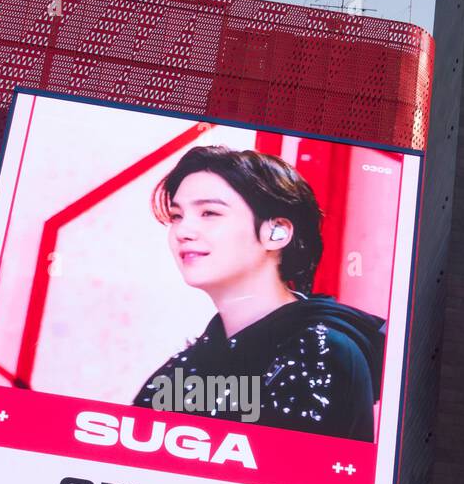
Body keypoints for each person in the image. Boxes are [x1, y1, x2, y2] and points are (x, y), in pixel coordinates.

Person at [132, 145, 386, 442]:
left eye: (209, 212)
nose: (182, 231)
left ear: (276, 232)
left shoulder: (321, 352)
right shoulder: (187, 366)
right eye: (177, 215)